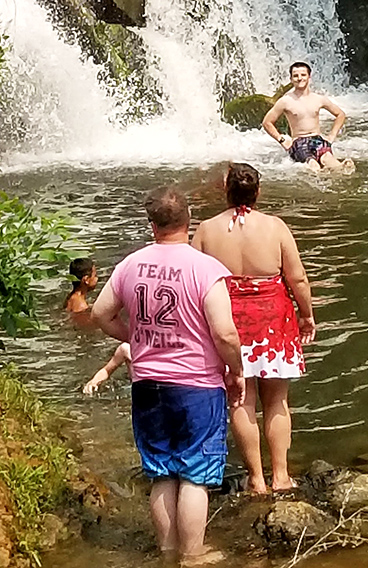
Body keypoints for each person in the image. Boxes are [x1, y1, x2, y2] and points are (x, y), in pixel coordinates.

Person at [91, 186, 244, 567]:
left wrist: (136, 338)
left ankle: (167, 552)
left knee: (161, 471)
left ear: (152, 224)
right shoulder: (205, 268)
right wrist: (236, 371)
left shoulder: (131, 264)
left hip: (147, 384)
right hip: (197, 384)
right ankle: (193, 554)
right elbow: (225, 334)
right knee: (195, 474)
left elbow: (100, 314)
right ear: (188, 220)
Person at [192, 163, 316, 494]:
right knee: (277, 401)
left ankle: (256, 479)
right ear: (258, 191)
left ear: (226, 190)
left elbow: (194, 281)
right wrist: (306, 316)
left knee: (240, 400)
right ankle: (281, 476)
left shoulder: (206, 230)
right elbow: (298, 279)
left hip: (228, 319)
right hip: (273, 320)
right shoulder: (275, 227)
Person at [262, 61, 354, 172]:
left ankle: (342, 168)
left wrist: (332, 136)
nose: (299, 78)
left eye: (303, 75)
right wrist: (281, 140)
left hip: (318, 139)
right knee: (313, 165)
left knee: (329, 160)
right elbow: (267, 122)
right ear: (291, 79)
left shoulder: (318, 98)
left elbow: (340, 114)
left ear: (309, 77)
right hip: (299, 142)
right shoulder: (285, 101)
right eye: (295, 76)